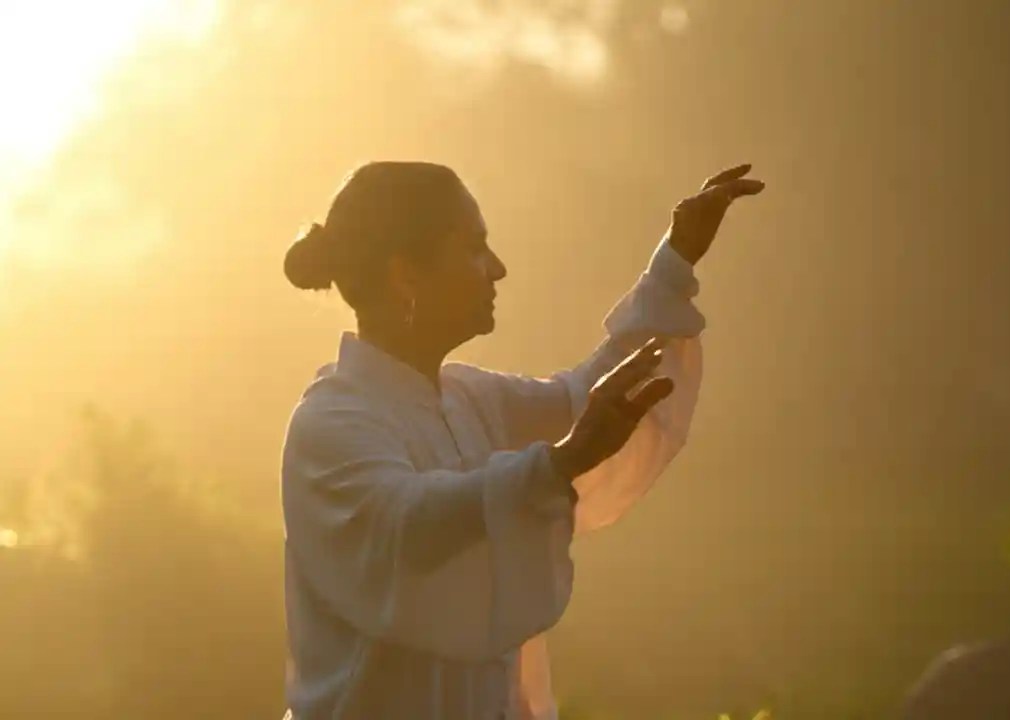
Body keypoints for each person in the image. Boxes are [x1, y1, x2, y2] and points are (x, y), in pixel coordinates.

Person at [279, 160, 764, 719]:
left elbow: (583, 397)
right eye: (474, 249)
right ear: (405, 275)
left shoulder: (468, 398)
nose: (498, 269)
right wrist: (556, 466)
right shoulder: (332, 421)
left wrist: (676, 260)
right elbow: (405, 523)